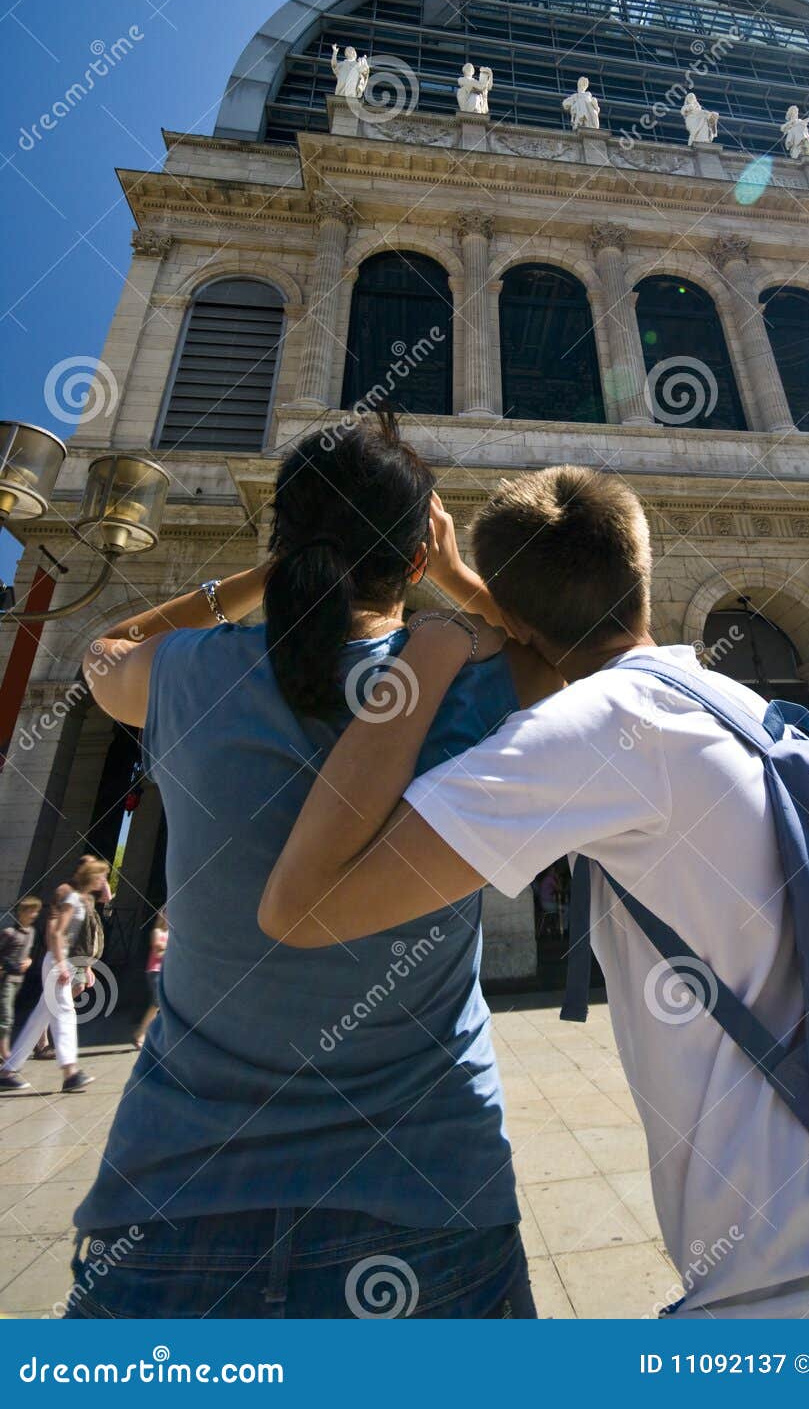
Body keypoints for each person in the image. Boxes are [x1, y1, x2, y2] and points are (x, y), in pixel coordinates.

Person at [261, 466, 809, 1320]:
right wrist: (485, 589)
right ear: (644, 572)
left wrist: (432, 649)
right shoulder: (725, 701)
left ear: (517, 619)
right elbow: (573, 644)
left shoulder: (591, 737)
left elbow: (301, 907)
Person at [65, 414, 554, 1319]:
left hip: (173, 1206)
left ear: (279, 539)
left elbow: (104, 650)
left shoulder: (183, 673)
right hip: (427, 1198)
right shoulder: (472, 679)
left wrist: (264, 575)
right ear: (413, 557)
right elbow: (577, 657)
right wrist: (456, 583)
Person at [0, 859, 110, 1094]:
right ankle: (70, 1072)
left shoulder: (82, 898)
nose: (103, 881)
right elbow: (58, 933)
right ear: (91, 877)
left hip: (64, 962)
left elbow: (104, 899)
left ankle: (7, 1071)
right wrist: (61, 965)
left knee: (40, 1018)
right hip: (58, 962)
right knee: (65, 1012)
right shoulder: (71, 898)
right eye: (100, 876)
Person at [0, 897, 42, 1061]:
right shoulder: (9, 933)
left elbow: (29, 954)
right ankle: (4, 1052)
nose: (33, 914)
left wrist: (29, 961)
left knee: (6, 1015)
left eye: (35, 911)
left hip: (18, 980)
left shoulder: (31, 932)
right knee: (6, 1017)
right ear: (21, 912)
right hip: (6, 980)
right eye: (30, 911)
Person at [132, 910, 168, 1050]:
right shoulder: (157, 932)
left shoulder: (170, 933)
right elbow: (158, 952)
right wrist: (170, 948)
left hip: (164, 971)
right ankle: (141, 1034)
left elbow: (162, 949)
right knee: (156, 1003)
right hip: (154, 971)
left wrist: (166, 948)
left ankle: (145, 1034)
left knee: (158, 1004)